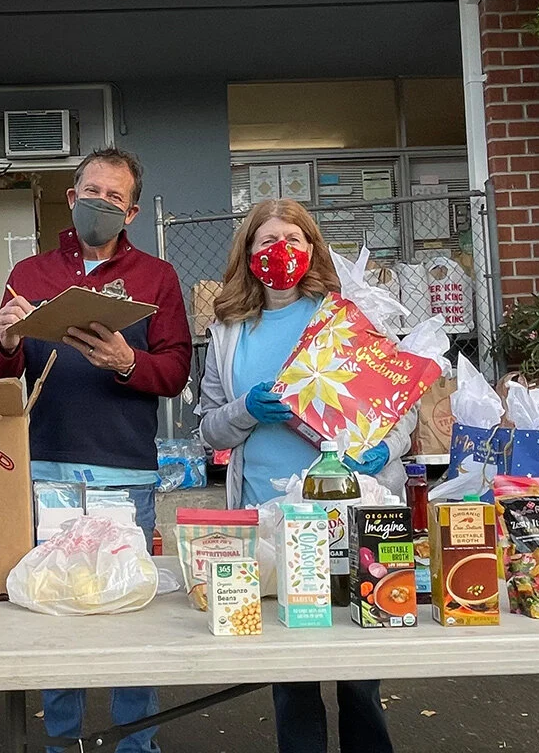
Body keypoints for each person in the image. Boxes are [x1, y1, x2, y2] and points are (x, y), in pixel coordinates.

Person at [0, 147, 192, 753]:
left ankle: (135, 743)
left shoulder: (157, 278)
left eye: (113, 197)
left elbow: (176, 368)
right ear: (71, 199)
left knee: (127, 610)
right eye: (89, 191)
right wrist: (7, 336)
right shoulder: (30, 274)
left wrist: (130, 362)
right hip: (43, 464)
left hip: (123, 471)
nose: (99, 203)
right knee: (55, 612)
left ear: (130, 212)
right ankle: (63, 743)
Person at [198, 198, 407, 753]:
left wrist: (384, 447)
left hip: (349, 511)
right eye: (266, 241)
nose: (281, 251)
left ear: (313, 247)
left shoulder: (345, 314)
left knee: (360, 672)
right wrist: (246, 409)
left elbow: (398, 406)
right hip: (270, 520)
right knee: (290, 675)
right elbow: (210, 431)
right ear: (247, 253)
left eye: (294, 239)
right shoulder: (228, 330)